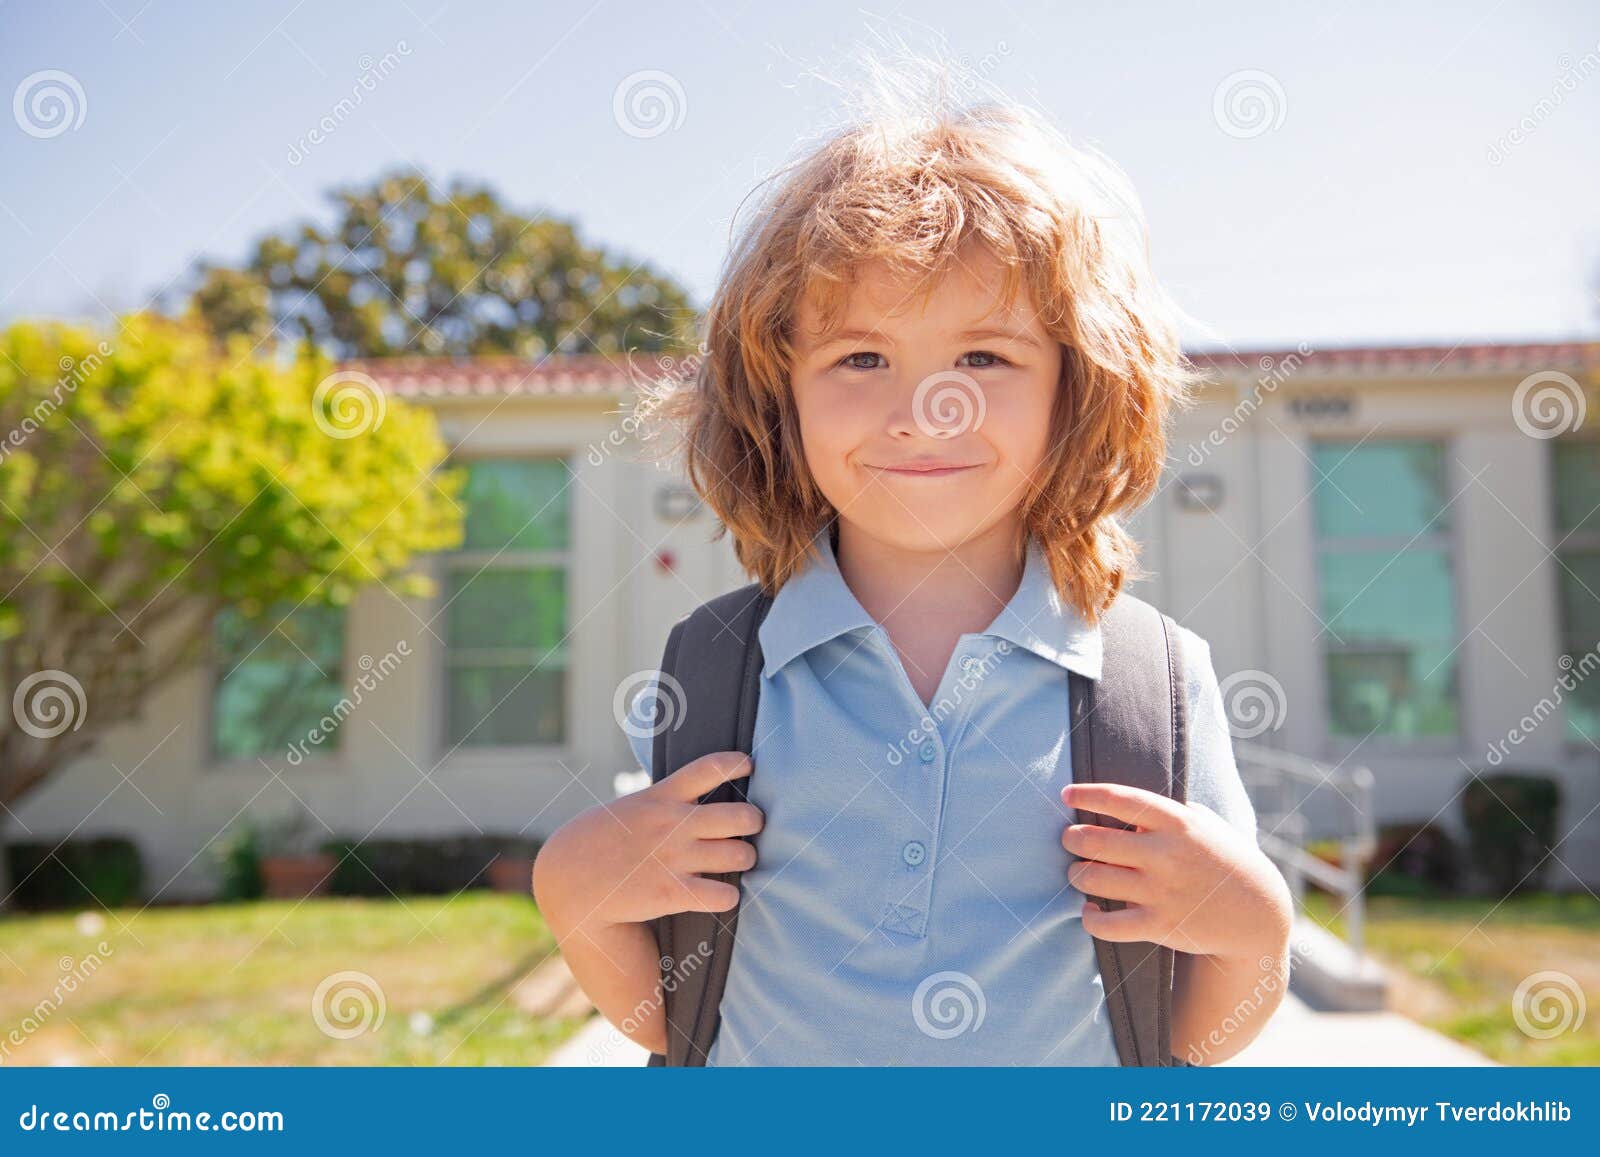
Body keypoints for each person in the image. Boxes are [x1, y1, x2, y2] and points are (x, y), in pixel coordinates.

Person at [534, 76, 1293, 1066]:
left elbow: (1194, 1037)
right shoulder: (717, 668)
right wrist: (572, 890)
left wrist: (1254, 928)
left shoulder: (1151, 680)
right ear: (778, 395)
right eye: (860, 359)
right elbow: (672, 1019)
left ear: (1078, 389)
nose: (926, 408)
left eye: (982, 356)